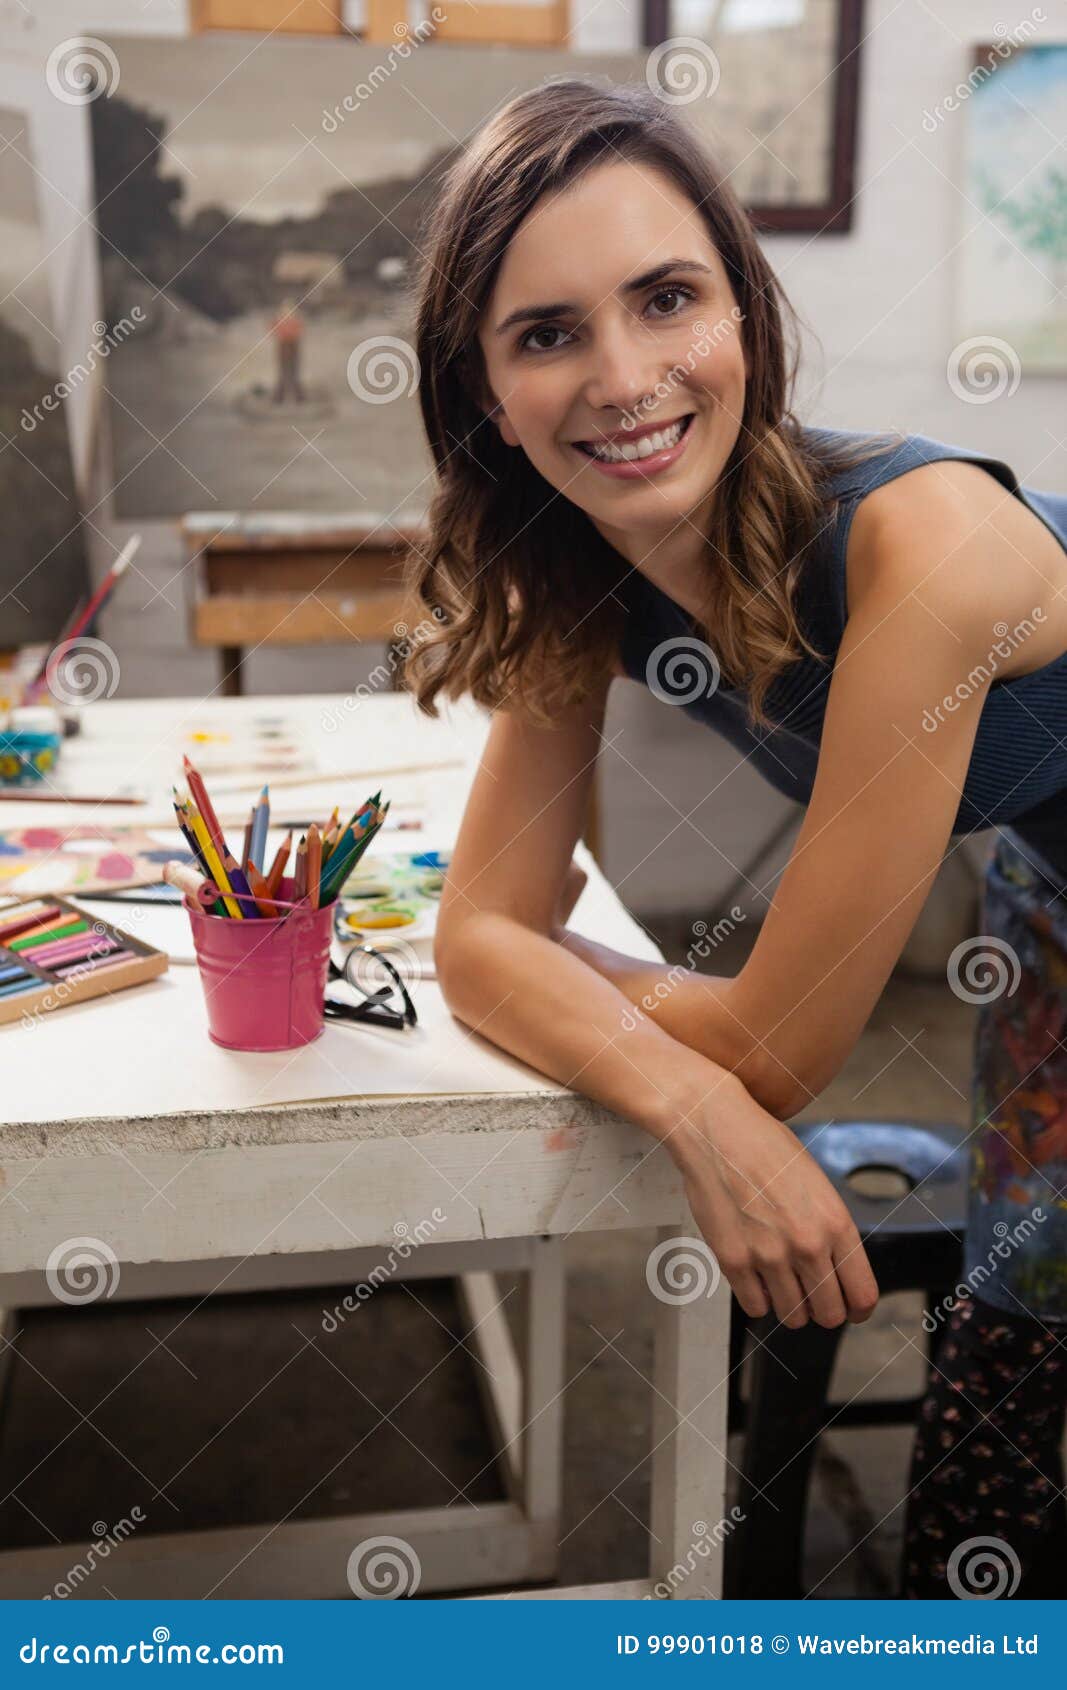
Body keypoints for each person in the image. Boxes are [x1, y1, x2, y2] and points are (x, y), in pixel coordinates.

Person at [401, 79, 1067, 1592]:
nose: (625, 377)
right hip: (1052, 890)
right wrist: (695, 1109)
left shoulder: (928, 550)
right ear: (483, 390)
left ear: (747, 320)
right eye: (549, 332)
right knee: (1021, 1320)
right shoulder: (579, 566)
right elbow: (477, 934)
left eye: (668, 298)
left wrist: (585, 997)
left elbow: (766, 1046)